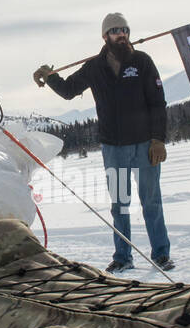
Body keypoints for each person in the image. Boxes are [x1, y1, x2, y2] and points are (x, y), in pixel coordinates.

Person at [32, 14, 172, 273]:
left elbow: (157, 103)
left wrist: (158, 140)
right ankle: (123, 256)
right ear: (105, 35)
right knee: (120, 204)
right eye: (115, 31)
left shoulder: (142, 62)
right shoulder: (94, 67)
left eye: (125, 30)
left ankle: (161, 254)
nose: (122, 35)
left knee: (151, 201)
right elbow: (68, 90)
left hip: (145, 147)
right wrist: (49, 76)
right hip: (114, 148)